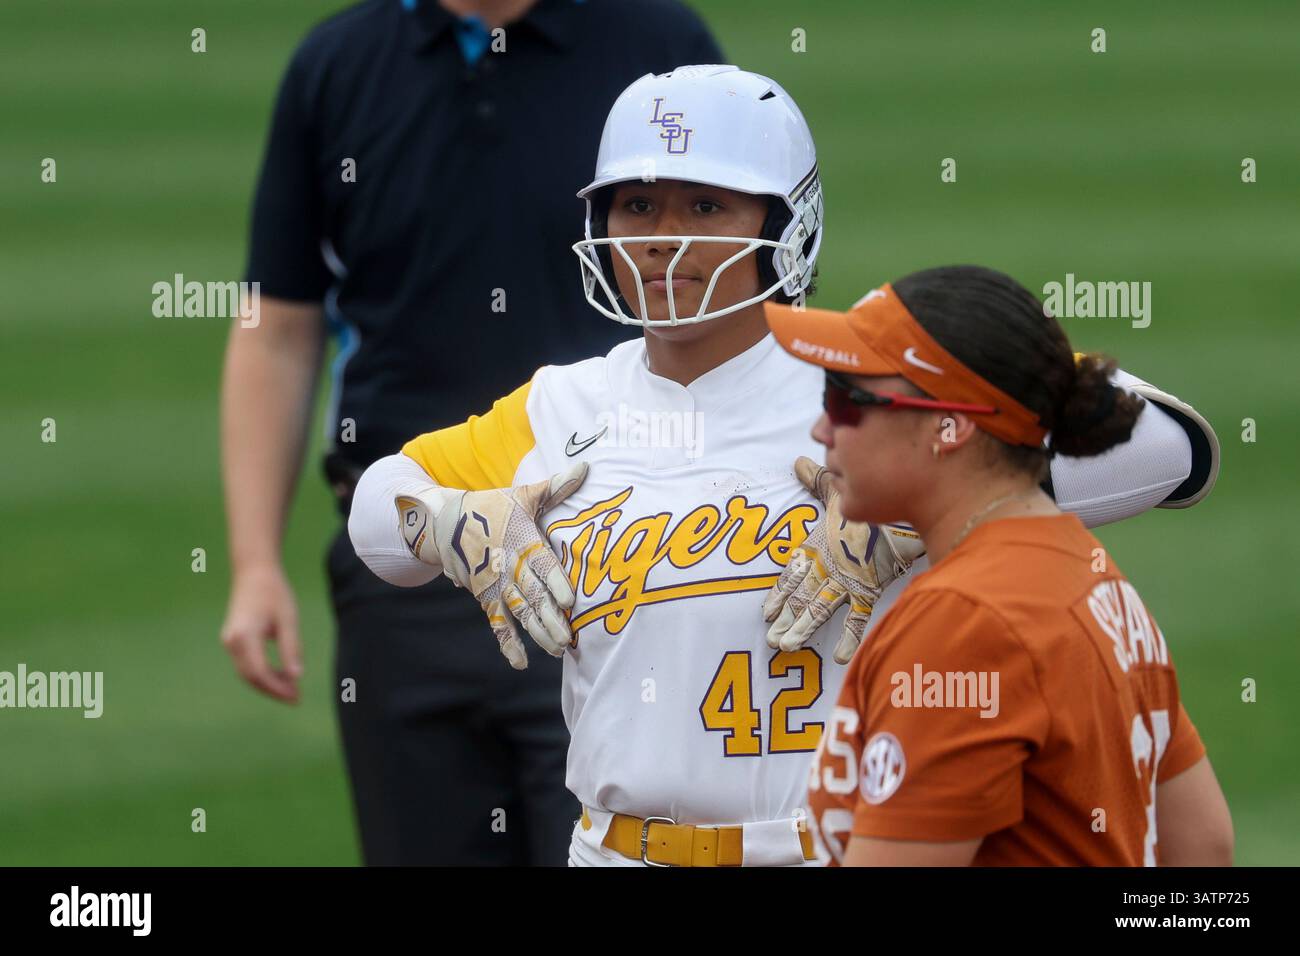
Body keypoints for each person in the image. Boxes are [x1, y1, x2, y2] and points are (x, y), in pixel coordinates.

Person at [347, 65, 1220, 866]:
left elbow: (1169, 445)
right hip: (612, 852)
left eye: (704, 207)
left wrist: (924, 515)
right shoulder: (561, 406)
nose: (661, 239)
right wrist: (451, 524)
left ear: (784, 226)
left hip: (828, 848)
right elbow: (377, 511)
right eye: (637, 206)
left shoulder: (865, 372)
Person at [220, 0, 724, 865]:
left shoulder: (659, 47)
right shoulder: (336, 65)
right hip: (402, 565)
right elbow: (279, 323)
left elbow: (738, 284)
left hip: (614, 558)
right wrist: (255, 562)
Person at [765, 266, 1233, 865]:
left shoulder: (963, 623)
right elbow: (1205, 850)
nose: (821, 428)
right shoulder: (1099, 585)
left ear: (950, 426)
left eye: (849, 400)